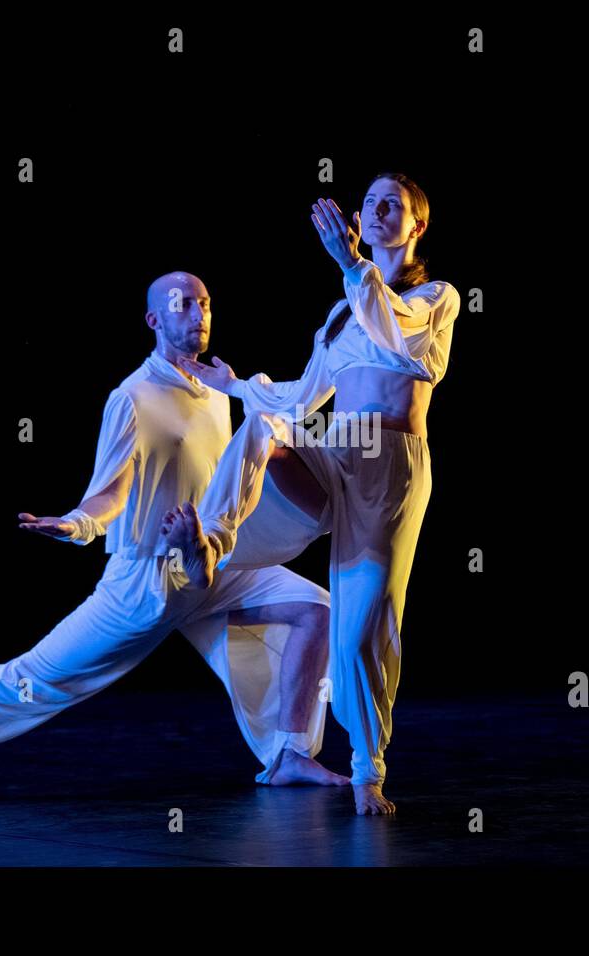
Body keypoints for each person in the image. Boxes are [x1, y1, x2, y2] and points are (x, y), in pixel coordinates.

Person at [0, 271, 350, 802]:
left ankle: (288, 754)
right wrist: (77, 522)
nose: (197, 313)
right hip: (145, 577)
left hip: (212, 565)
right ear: (153, 319)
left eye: (205, 303)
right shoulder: (134, 397)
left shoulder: (217, 390)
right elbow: (110, 493)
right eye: (182, 304)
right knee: (34, 679)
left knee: (314, 610)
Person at [177, 174, 461, 815]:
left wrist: (352, 264)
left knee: (360, 630)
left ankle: (367, 769)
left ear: (417, 226)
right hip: (338, 447)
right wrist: (233, 383)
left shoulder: (437, 297)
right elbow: (301, 399)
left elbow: (397, 335)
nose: (377, 210)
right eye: (369, 202)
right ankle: (212, 542)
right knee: (266, 427)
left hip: (390, 467)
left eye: (394, 205)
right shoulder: (342, 309)